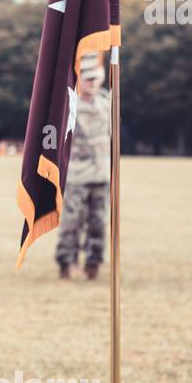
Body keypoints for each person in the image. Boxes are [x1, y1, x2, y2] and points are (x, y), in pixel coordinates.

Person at [56, 55, 111, 280]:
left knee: (98, 221)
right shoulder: (70, 105)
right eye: (88, 79)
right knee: (72, 222)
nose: (93, 83)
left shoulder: (107, 102)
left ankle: (93, 263)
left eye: (95, 79)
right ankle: (66, 262)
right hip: (77, 174)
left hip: (101, 173)